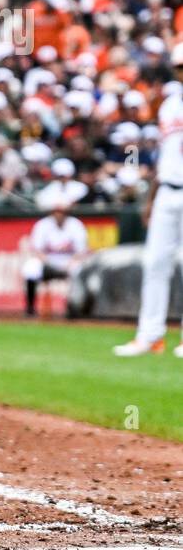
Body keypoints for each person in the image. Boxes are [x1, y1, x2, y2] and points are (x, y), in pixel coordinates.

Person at [116, 43, 183, 356]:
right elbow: (164, 157)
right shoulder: (170, 105)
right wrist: (151, 199)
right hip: (167, 191)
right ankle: (150, 335)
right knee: (155, 263)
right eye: (179, 68)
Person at [22, 194, 88, 317]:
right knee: (30, 268)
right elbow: (36, 250)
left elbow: (82, 251)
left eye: (62, 211)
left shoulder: (76, 225)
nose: (59, 214)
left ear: (67, 212)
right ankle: (30, 308)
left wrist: (70, 263)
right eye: (57, 211)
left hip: (69, 261)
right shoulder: (43, 224)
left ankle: (73, 310)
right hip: (47, 261)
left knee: (78, 270)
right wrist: (47, 263)